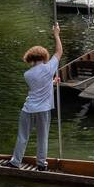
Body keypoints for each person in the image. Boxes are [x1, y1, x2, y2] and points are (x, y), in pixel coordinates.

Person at [9, 23, 61, 171]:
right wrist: (56, 34)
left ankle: (15, 162)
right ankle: (41, 164)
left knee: (22, 136)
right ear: (44, 57)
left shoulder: (28, 75)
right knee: (42, 137)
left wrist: (51, 82)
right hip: (43, 110)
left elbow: (39, 86)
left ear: (30, 59)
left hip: (28, 109)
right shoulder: (49, 68)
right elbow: (59, 52)